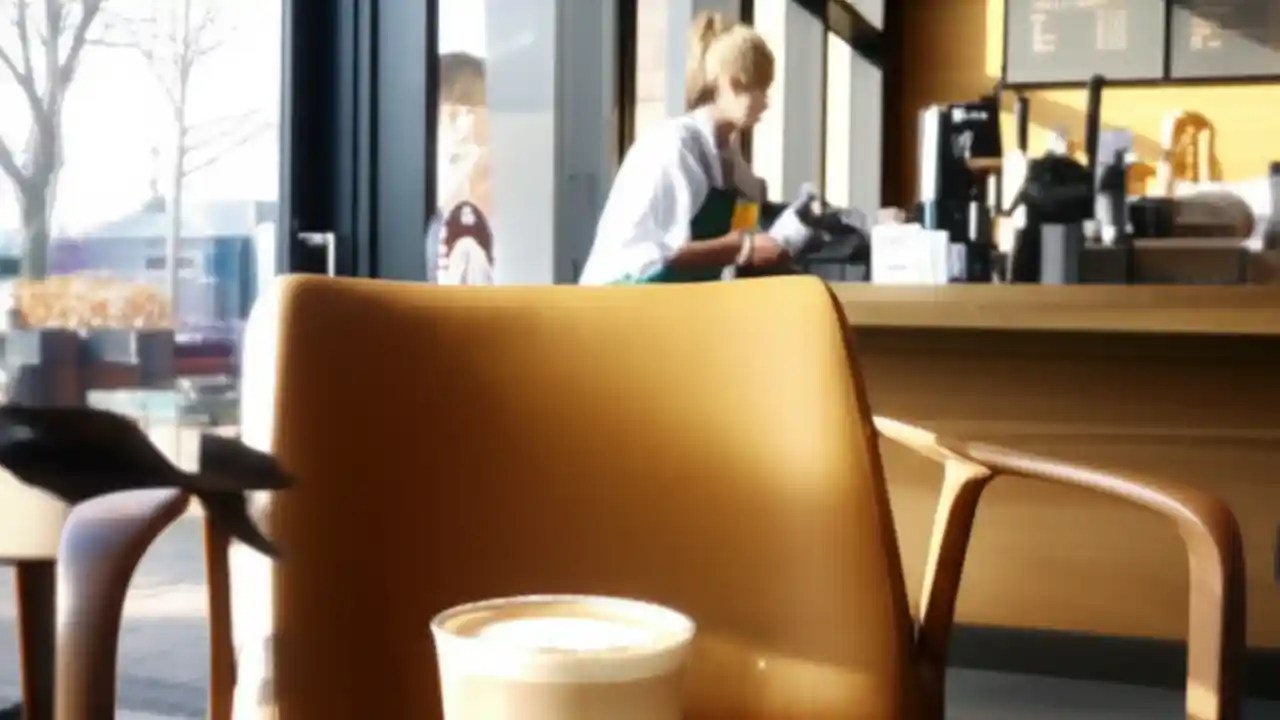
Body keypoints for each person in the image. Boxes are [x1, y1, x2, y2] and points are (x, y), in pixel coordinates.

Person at [578, 11, 815, 285]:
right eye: (758, 88)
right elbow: (653, 255)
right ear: (730, 83)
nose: (766, 102)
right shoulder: (675, 146)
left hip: (676, 307)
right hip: (621, 302)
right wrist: (742, 247)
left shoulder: (730, 159)